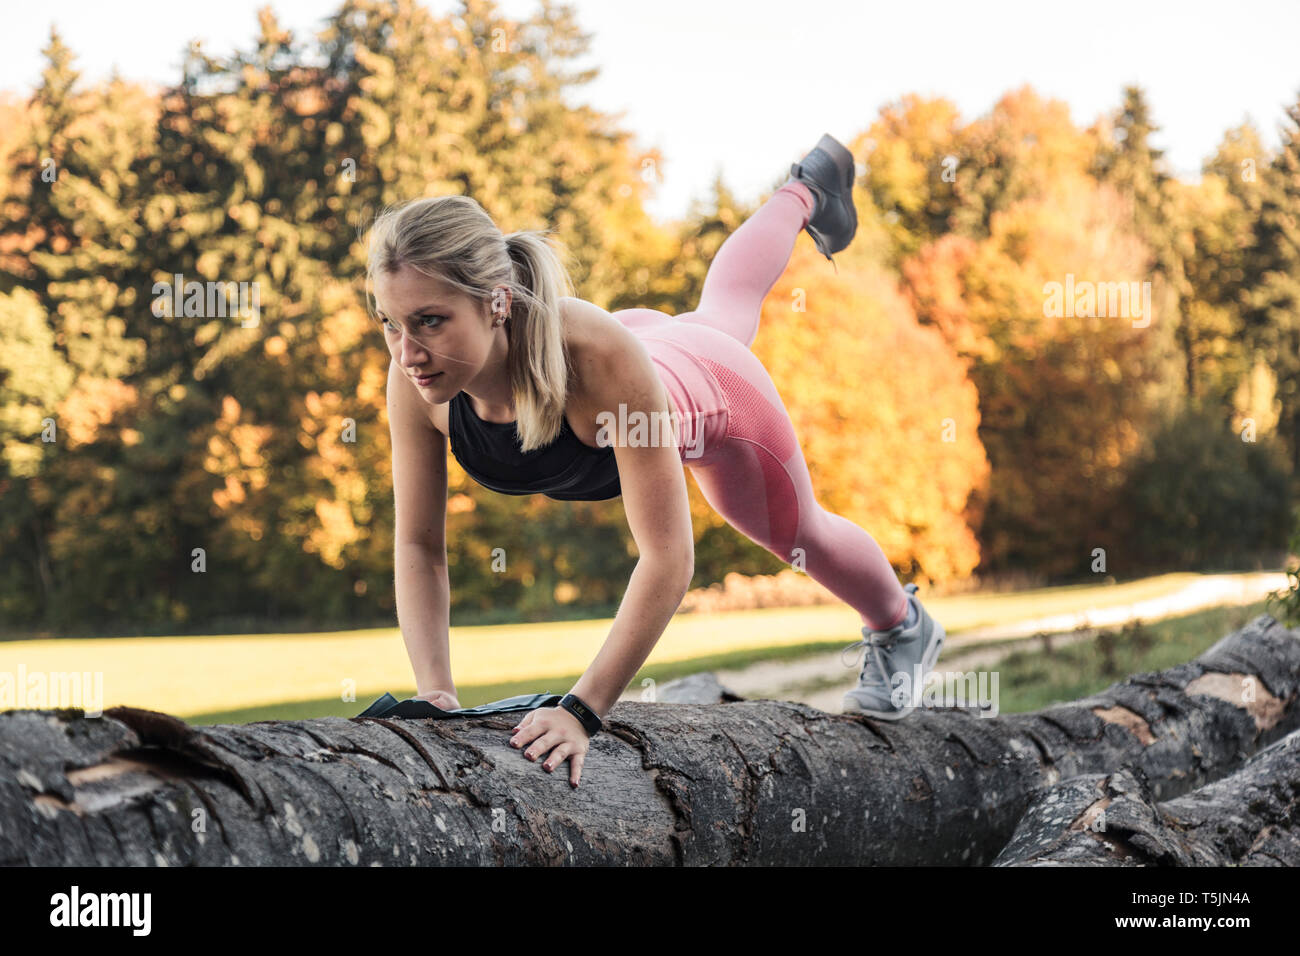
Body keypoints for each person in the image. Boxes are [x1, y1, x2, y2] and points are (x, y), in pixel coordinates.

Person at [365, 134, 945, 788]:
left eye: (430, 322)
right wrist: (436, 693)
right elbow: (419, 544)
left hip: (711, 388)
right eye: (389, 322)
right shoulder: (416, 378)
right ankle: (808, 188)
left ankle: (902, 625)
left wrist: (582, 710)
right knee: (721, 307)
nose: (406, 349)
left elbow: (668, 557)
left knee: (795, 530)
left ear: (497, 300)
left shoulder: (595, 361)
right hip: (643, 342)